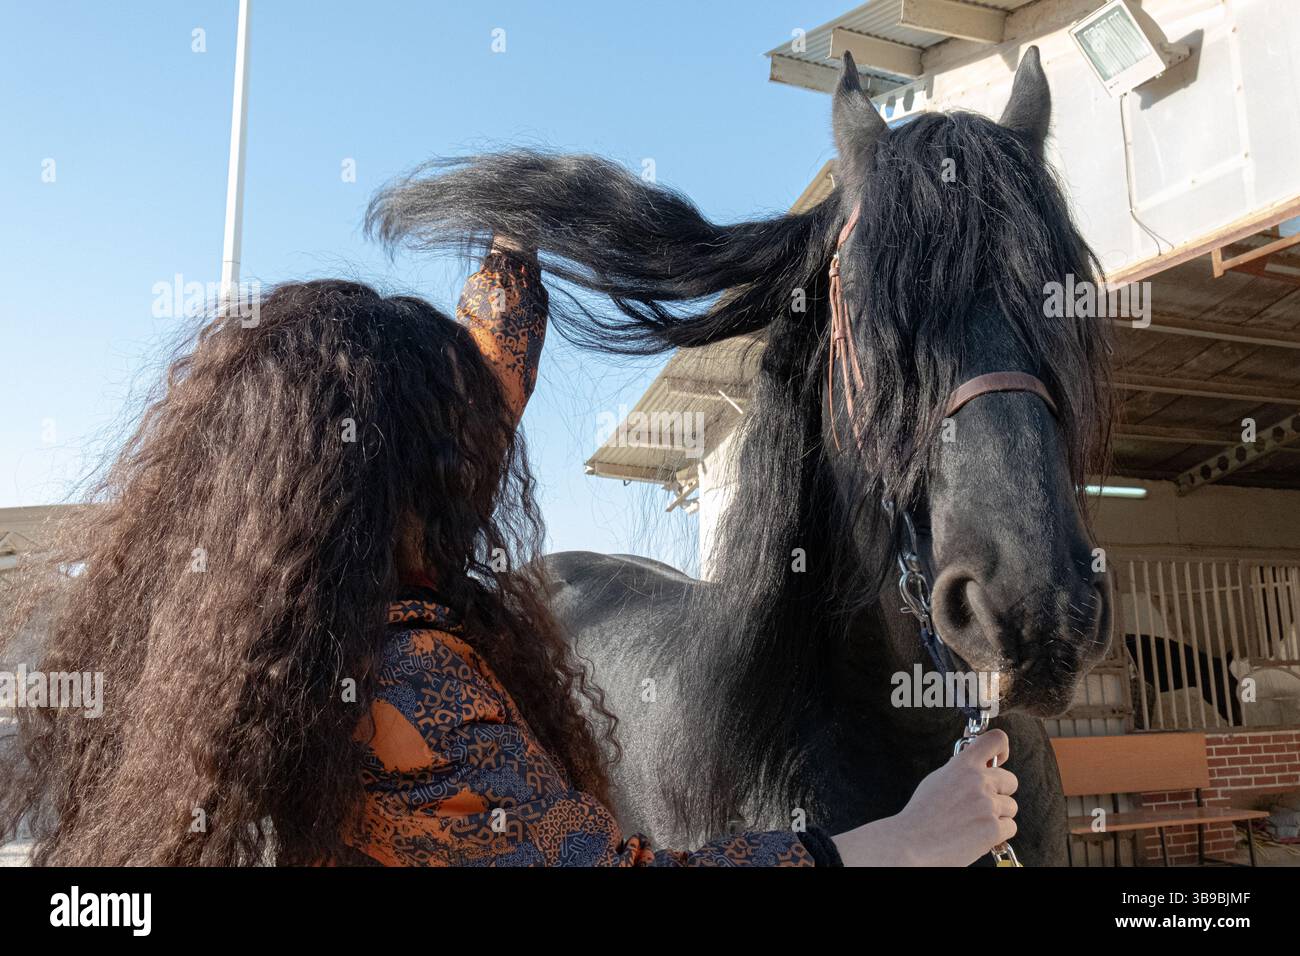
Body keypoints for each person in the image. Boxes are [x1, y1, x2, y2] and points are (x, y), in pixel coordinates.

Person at [0, 239, 1017, 866]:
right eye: (458, 448)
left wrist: (515, 252)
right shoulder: (405, 689)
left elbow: (476, 398)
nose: (484, 472)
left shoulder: (256, 656)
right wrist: (904, 842)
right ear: (402, 481)